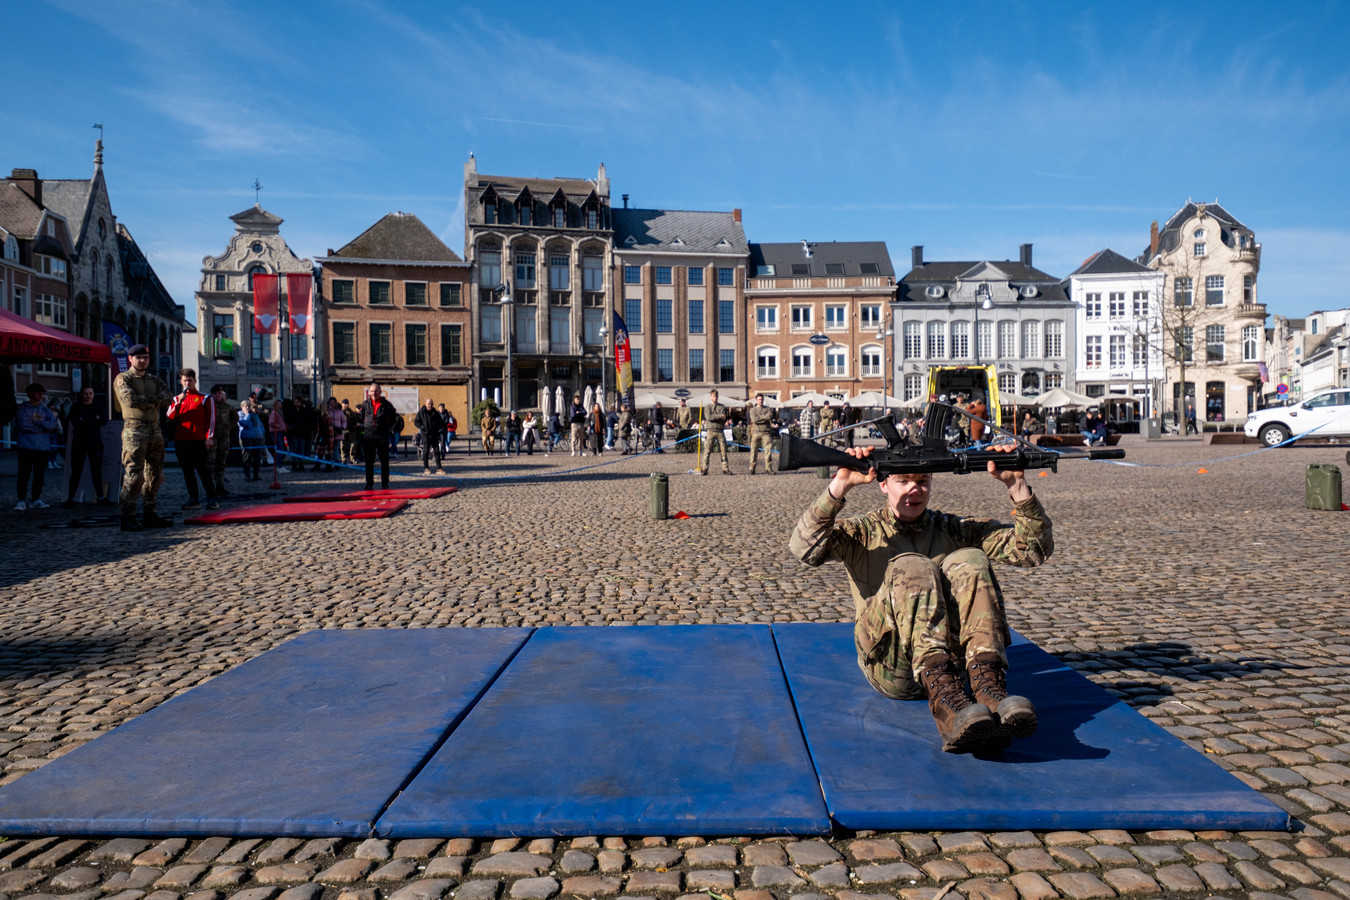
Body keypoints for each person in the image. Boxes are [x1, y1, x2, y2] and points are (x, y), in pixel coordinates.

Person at [789, 445, 1051, 753]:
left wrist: (1016, 486)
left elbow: (1032, 550)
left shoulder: (953, 528)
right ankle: (946, 707)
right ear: (883, 484)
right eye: (904, 481)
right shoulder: (862, 532)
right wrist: (840, 485)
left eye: (923, 481)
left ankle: (987, 687)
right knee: (912, 565)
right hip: (892, 666)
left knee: (970, 559)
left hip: (958, 672)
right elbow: (803, 548)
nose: (915, 489)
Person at [113, 344, 173, 531]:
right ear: (130, 359)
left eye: (145, 357)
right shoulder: (124, 379)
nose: (142, 361)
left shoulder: (154, 380)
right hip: (134, 431)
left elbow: (169, 397)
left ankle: (150, 513)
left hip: (155, 430)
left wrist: (147, 400)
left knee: (155, 475)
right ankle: (128, 515)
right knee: (134, 475)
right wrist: (155, 401)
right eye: (138, 357)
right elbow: (130, 401)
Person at [165, 368, 220, 511]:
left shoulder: (205, 398)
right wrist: (178, 403)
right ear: (181, 382)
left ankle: (212, 497)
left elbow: (212, 419)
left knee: (203, 470)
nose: (187, 383)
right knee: (187, 472)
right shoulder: (177, 399)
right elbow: (169, 415)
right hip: (182, 441)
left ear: (195, 381)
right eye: (185, 380)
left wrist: (209, 437)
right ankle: (194, 499)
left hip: (198, 440)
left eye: (190, 380)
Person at [13, 383, 62, 510]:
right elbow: (23, 426)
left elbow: (52, 425)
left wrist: (36, 422)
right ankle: (21, 500)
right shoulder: (22, 409)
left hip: (42, 448)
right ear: (30, 393)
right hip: (25, 447)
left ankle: (36, 499)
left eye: (42, 393)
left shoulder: (45, 410)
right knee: (24, 474)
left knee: (39, 475)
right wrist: (43, 426)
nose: (41, 395)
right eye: (38, 392)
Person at [63, 386, 111, 507]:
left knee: (96, 472)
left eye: (90, 393)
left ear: (93, 394)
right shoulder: (76, 407)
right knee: (76, 472)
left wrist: (86, 420)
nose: (88, 396)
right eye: (85, 393)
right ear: (82, 394)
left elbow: (104, 421)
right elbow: (76, 422)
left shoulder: (98, 406)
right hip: (79, 444)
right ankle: (71, 498)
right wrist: (94, 419)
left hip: (95, 444)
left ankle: (100, 497)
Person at [358, 382, 398, 490]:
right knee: (369, 461)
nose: (374, 393)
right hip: (369, 436)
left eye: (376, 391)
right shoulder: (365, 404)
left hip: (382, 436)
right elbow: (361, 417)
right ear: (369, 392)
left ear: (380, 391)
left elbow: (394, 419)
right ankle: (369, 483)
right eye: (371, 391)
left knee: (384, 461)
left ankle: (385, 483)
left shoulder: (387, 405)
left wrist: (388, 429)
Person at [208, 385, 237, 494]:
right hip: (212, 438)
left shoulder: (228, 407)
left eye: (219, 393)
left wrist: (229, 426)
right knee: (210, 463)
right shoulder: (209, 406)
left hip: (224, 438)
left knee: (222, 462)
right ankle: (210, 487)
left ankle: (220, 485)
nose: (218, 395)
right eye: (216, 393)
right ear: (212, 394)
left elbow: (235, 418)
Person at [697, 389, 731, 475]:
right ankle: (705, 468)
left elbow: (723, 417)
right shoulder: (708, 407)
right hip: (710, 431)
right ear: (711, 397)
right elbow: (709, 417)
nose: (715, 398)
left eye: (716, 396)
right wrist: (719, 416)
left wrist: (716, 417)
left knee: (723, 451)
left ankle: (725, 468)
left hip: (720, 431)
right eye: (714, 396)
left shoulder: (722, 407)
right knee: (707, 451)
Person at [747, 393, 777, 475]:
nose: (760, 401)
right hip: (756, 433)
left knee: (768, 451)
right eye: (759, 399)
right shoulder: (752, 410)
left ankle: (768, 468)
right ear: (756, 400)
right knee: (753, 451)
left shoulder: (768, 409)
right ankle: (752, 468)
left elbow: (769, 416)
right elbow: (754, 419)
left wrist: (760, 417)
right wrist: (764, 418)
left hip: (766, 433)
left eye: (761, 399)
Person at [415, 398, 446, 474]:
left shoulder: (435, 412)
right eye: (428, 404)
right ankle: (426, 468)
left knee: (436, 451)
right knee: (426, 451)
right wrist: (423, 428)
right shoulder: (421, 412)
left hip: (434, 434)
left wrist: (437, 428)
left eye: (431, 404)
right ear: (425, 404)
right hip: (425, 434)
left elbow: (440, 422)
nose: (430, 405)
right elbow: (416, 422)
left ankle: (439, 468)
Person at [237, 399, 266, 481]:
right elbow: (244, 423)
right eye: (245, 406)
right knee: (247, 457)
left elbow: (259, 424)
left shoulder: (254, 414)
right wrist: (247, 414)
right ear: (242, 407)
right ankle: (248, 475)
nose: (247, 407)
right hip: (247, 438)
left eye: (249, 406)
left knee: (257, 457)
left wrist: (262, 433)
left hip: (258, 438)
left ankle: (256, 475)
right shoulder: (240, 414)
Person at [325, 397, 346, 470]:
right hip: (329, 431)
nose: (332, 404)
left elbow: (344, 420)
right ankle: (329, 463)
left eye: (334, 402)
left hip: (338, 432)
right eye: (331, 402)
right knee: (329, 448)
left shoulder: (340, 411)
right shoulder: (327, 411)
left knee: (336, 447)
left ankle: (336, 462)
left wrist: (343, 427)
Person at [268, 399, 288, 467]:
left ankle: (279, 465)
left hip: (280, 432)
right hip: (276, 432)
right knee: (280, 449)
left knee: (281, 449)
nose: (280, 405)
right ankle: (279, 466)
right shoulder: (274, 413)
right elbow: (271, 422)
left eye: (280, 404)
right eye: (278, 404)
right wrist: (280, 427)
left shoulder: (279, 413)